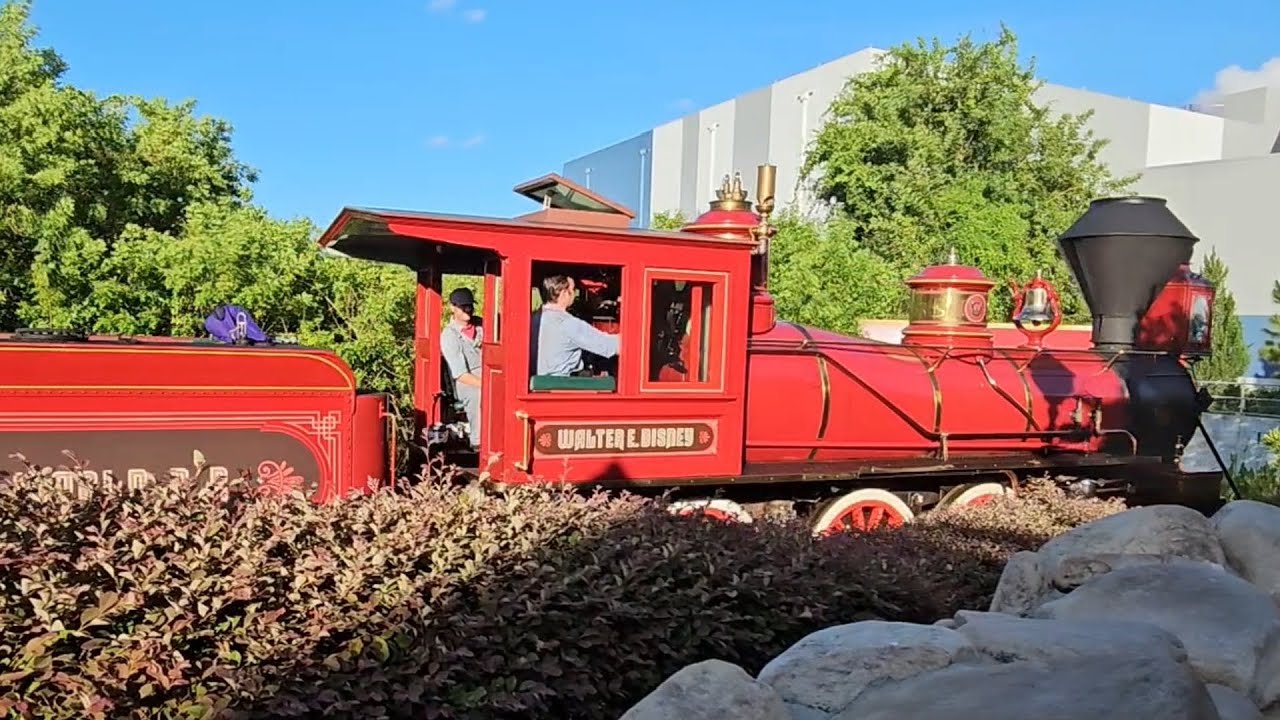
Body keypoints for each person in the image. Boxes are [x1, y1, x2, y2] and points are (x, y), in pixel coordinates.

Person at [536, 274, 620, 376]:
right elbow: (611, 346)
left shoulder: (534, 318)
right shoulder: (567, 323)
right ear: (563, 293)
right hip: (562, 384)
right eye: (573, 290)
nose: (574, 295)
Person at [439, 287, 483, 450]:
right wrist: (487, 384)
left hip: (489, 374)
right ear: (453, 307)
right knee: (478, 394)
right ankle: (478, 440)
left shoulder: (483, 325)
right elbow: (460, 374)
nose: (468, 310)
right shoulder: (449, 335)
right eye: (463, 306)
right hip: (467, 380)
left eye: (470, 305)